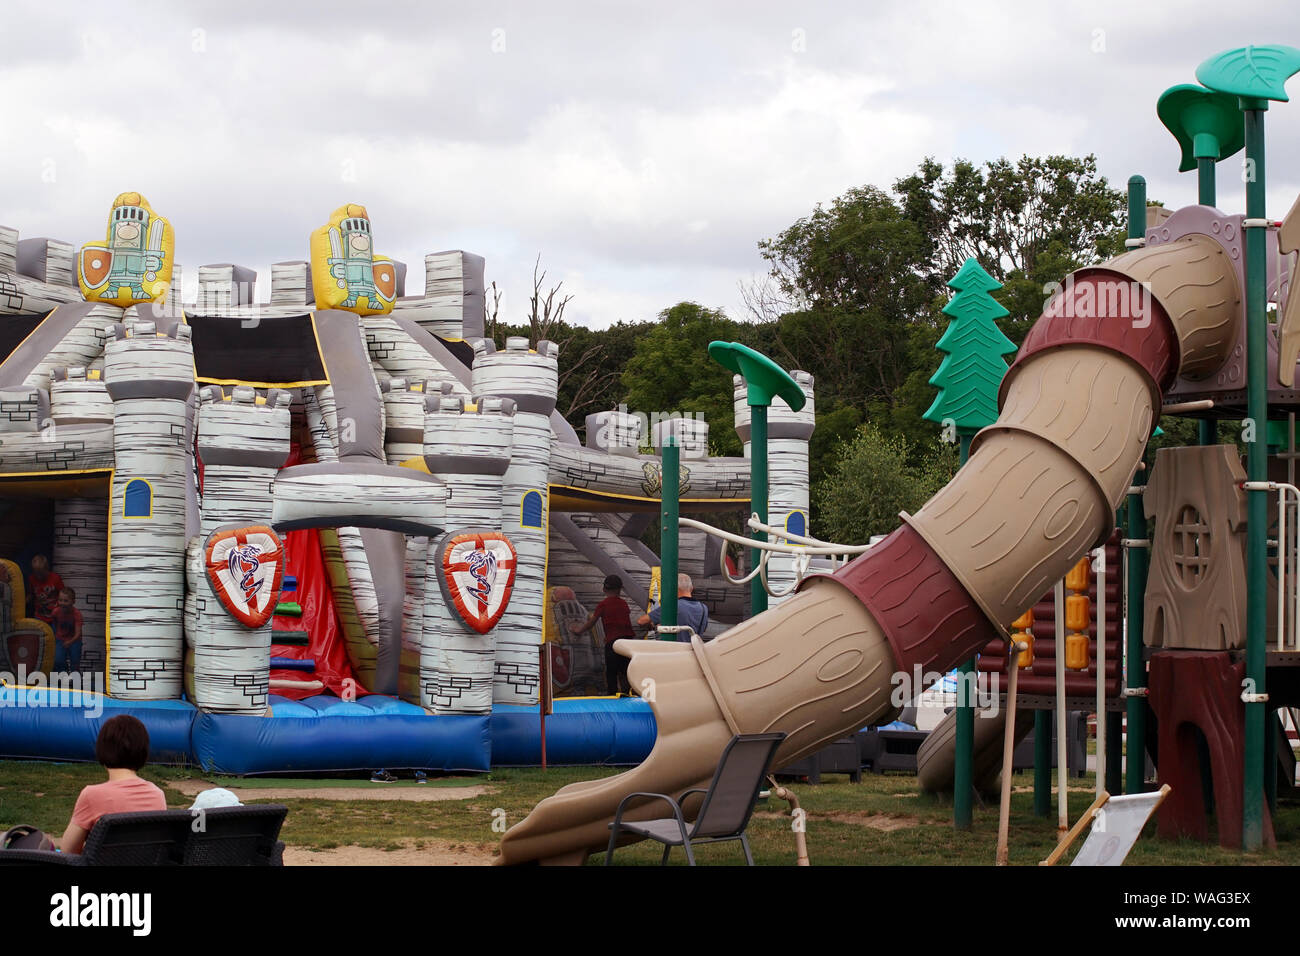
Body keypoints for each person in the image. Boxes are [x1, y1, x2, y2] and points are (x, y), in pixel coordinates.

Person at [59, 715, 166, 854]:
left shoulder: (91, 796)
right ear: (143, 751)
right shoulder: (157, 794)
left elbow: (68, 850)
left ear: (103, 749)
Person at [571, 574, 635, 696]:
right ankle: (627, 694)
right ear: (620, 589)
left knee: (611, 672)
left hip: (613, 643)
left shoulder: (603, 604)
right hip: (628, 643)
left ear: (604, 589)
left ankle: (612, 695)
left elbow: (592, 622)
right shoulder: (624, 604)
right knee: (626, 671)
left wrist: (579, 631)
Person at [638, 572, 709, 643]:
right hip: (695, 650)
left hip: (675, 650)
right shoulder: (704, 608)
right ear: (691, 588)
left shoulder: (673, 606)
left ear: (674, 588)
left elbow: (641, 621)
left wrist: (655, 625)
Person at [26, 554, 64, 630]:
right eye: (37, 574)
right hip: (39, 615)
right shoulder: (32, 579)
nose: (39, 576)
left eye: (41, 574)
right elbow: (31, 594)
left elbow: (63, 593)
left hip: (54, 615)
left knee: (54, 636)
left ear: (47, 569)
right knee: (40, 636)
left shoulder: (55, 578)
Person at [51, 587, 84, 674]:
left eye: (66, 601)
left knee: (75, 662)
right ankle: (63, 676)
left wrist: (70, 642)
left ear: (73, 602)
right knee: (58, 660)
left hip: (74, 640)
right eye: (60, 600)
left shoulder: (77, 614)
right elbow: (54, 623)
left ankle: (75, 679)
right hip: (60, 639)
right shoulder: (55, 612)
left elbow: (78, 633)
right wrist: (55, 636)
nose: (62, 603)